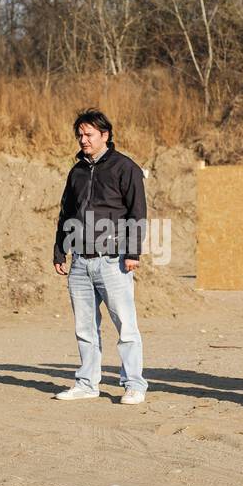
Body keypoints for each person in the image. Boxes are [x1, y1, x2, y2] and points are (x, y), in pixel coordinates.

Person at [52, 108, 148, 404]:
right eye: (80, 135)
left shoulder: (125, 167)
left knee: (125, 326)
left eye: (89, 134)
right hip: (80, 261)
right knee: (84, 327)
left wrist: (132, 252)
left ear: (105, 135)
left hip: (114, 261)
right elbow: (66, 212)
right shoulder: (77, 171)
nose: (83, 140)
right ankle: (86, 383)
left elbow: (137, 212)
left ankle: (134, 384)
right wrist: (60, 249)